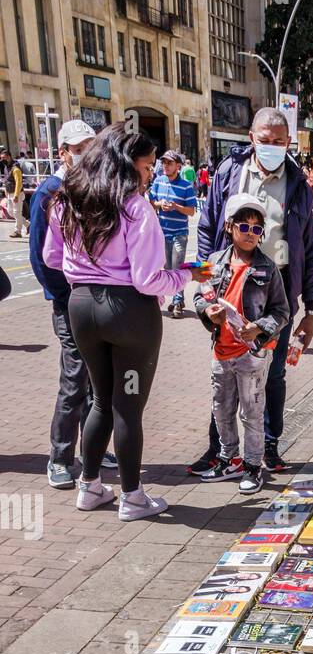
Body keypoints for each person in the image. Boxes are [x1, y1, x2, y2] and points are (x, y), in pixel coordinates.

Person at [43, 122, 206, 518]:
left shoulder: (67, 199)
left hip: (81, 307)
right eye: (147, 167)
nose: (150, 174)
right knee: (127, 408)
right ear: (127, 164)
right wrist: (188, 273)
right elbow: (149, 279)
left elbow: (51, 257)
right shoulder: (135, 208)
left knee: (99, 399)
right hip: (128, 312)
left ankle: (90, 486)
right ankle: (132, 497)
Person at [194, 106, 313, 475]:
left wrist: (311, 310)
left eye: (279, 142)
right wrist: (207, 286)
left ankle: (269, 446)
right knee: (225, 372)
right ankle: (220, 450)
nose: (271, 148)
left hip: (277, 294)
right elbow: (206, 230)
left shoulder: (298, 184)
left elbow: (312, 250)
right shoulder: (229, 173)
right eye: (265, 141)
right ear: (251, 139)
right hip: (230, 290)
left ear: (288, 144)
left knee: (274, 373)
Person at [29, 118, 120, 491]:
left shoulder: (93, 188)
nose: (85, 154)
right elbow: (41, 256)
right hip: (70, 302)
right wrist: (62, 294)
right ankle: (60, 456)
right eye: (77, 148)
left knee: (96, 378)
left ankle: (92, 449)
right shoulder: (49, 192)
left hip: (94, 301)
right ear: (63, 152)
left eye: (90, 147)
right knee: (74, 378)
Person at [195, 193, 290, 496]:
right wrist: (207, 311)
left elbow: (282, 311)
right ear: (229, 227)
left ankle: (252, 465)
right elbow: (199, 296)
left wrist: (259, 328)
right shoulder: (212, 262)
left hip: (251, 355)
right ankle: (228, 458)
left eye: (257, 229)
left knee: (251, 411)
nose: (250, 234)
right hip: (221, 352)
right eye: (244, 227)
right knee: (221, 408)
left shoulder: (268, 267)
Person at [148, 148, 197, 318]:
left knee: (177, 267)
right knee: (167, 268)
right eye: (164, 162)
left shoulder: (186, 186)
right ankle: (179, 298)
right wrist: (159, 204)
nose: (165, 166)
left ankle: (176, 302)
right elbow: (151, 202)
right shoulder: (158, 181)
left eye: (169, 163)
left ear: (178, 166)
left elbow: (191, 211)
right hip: (162, 232)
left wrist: (176, 207)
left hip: (180, 233)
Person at [6, 154, 25, 237]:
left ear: (9, 157)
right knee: (10, 212)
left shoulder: (15, 169)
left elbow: (18, 183)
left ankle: (18, 231)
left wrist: (16, 195)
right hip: (10, 193)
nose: (3, 159)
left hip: (16, 193)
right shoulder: (7, 167)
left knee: (17, 213)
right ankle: (28, 224)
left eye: (4, 157)